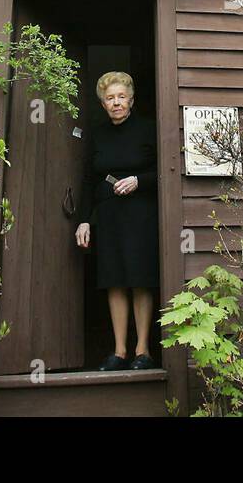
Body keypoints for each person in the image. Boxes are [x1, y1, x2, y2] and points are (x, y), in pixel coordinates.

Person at [74, 71, 159, 371]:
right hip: (109, 215)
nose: (116, 103)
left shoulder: (149, 129)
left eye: (121, 97)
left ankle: (143, 351)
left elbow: (164, 172)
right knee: (113, 280)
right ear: (102, 104)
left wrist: (139, 181)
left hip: (141, 213)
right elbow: (88, 179)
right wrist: (83, 220)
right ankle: (119, 351)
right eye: (110, 98)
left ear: (132, 99)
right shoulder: (98, 134)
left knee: (139, 278)